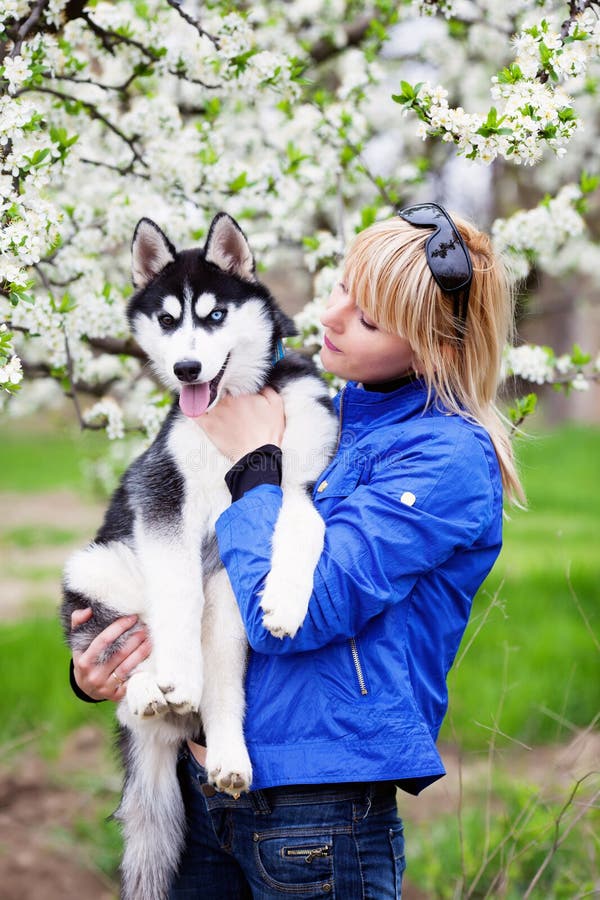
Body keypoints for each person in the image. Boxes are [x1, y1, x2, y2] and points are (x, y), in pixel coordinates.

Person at [70, 203, 523, 898]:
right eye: (341, 286)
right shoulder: (322, 408)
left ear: (433, 348)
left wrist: (255, 462)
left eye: (367, 318)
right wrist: (108, 661)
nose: (331, 316)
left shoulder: (444, 460)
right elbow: (183, 551)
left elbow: (301, 613)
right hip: (204, 781)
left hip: (317, 806)